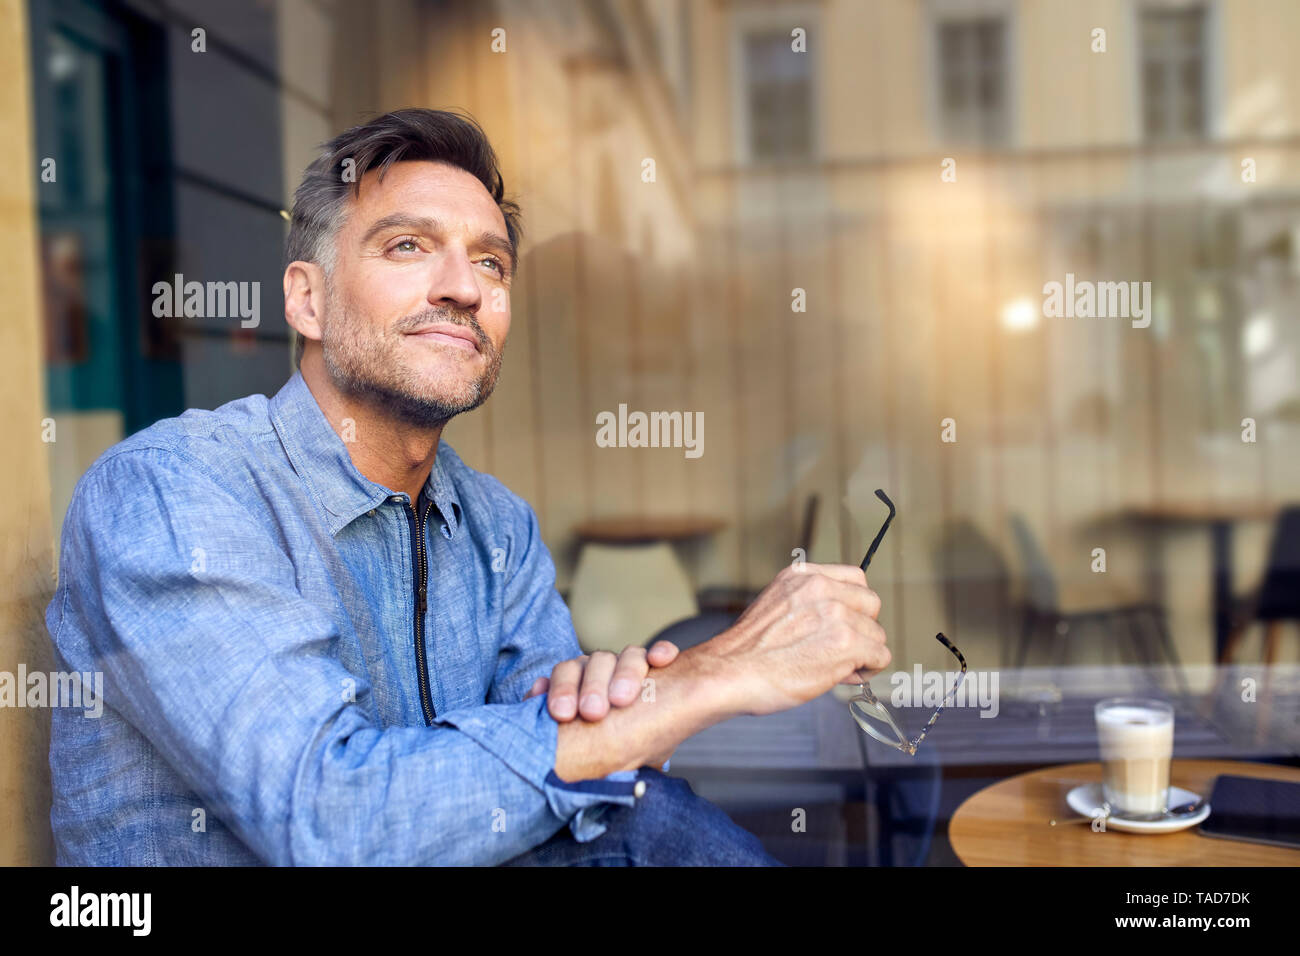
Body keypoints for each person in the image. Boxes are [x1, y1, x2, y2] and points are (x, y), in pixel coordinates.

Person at [46, 108, 890, 866]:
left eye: (491, 262)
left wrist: (618, 718)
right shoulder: (175, 491)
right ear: (306, 300)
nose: (463, 287)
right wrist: (707, 677)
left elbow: (579, 791)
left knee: (640, 816)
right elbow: (329, 821)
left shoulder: (495, 525)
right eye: (408, 245)